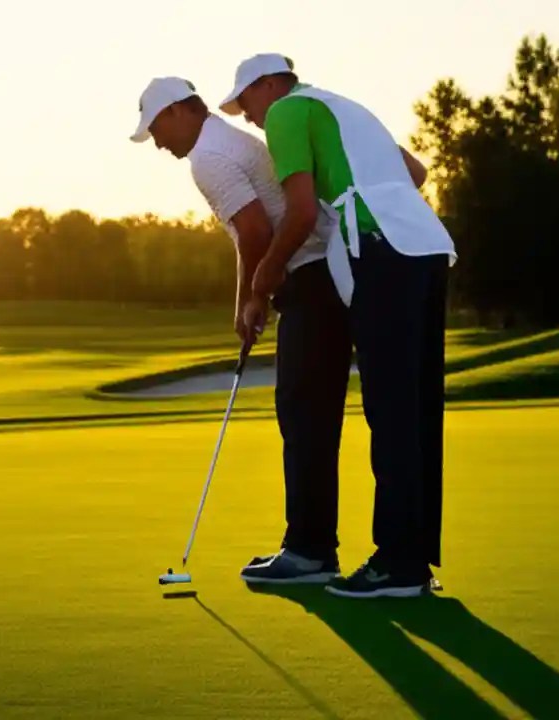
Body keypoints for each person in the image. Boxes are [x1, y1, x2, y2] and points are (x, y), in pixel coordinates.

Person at [218, 53, 456, 599]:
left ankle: (397, 564)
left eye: (247, 102)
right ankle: (411, 561)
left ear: (269, 85)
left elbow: (299, 212)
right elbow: (415, 174)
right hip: (425, 246)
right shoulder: (345, 107)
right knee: (414, 412)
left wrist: (263, 279)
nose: (249, 117)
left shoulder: (286, 112)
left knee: (389, 410)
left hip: (380, 252)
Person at [130, 76, 350, 584]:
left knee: (302, 417)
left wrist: (257, 296)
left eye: (158, 127)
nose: (157, 142)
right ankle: (313, 547)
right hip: (321, 274)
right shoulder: (225, 142)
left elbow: (255, 231)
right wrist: (245, 300)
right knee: (309, 417)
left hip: (311, 278)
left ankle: (309, 553)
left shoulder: (208, 157)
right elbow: (246, 235)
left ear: (182, 112)